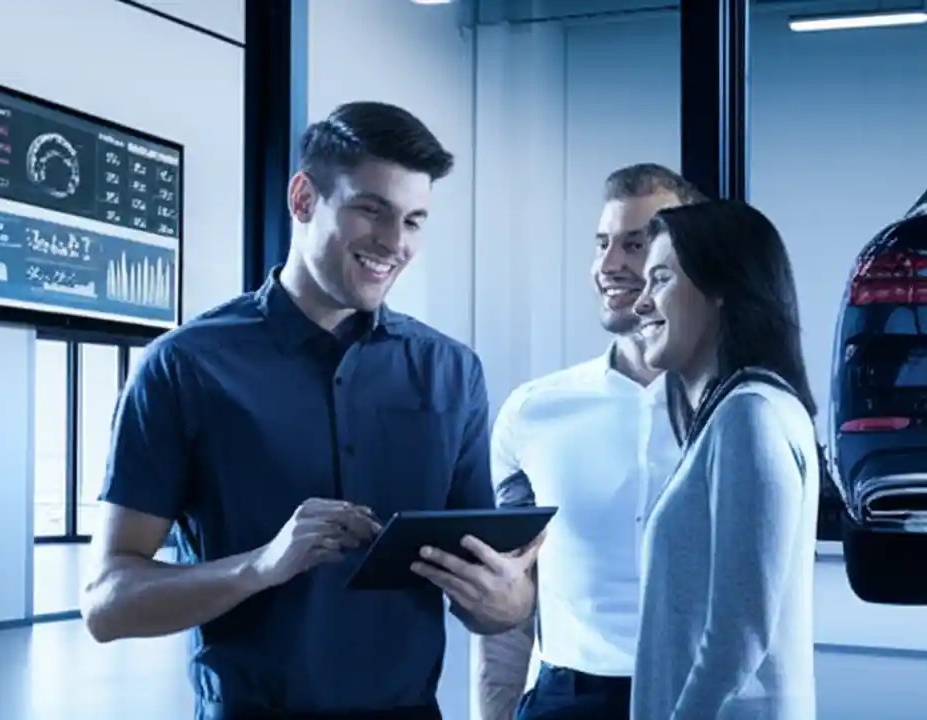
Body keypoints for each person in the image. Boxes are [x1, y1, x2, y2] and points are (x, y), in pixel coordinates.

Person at [80, 101, 542, 720]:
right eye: (370, 210)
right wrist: (261, 566)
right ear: (303, 199)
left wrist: (508, 600)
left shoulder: (452, 373)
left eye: (413, 221)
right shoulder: (184, 366)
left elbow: (487, 604)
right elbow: (107, 603)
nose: (394, 243)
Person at [476, 164, 706, 720]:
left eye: (635, 244)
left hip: (702, 697)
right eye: (602, 243)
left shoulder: (742, 412)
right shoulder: (533, 412)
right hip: (567, 700)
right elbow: (508, 597)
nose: (609, 265)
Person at [629, 200, 820, 720]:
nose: (640, 304)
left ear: (720, 288)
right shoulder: (747, 411)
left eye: (661, 279)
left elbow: (739, 636)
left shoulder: (749, 415)